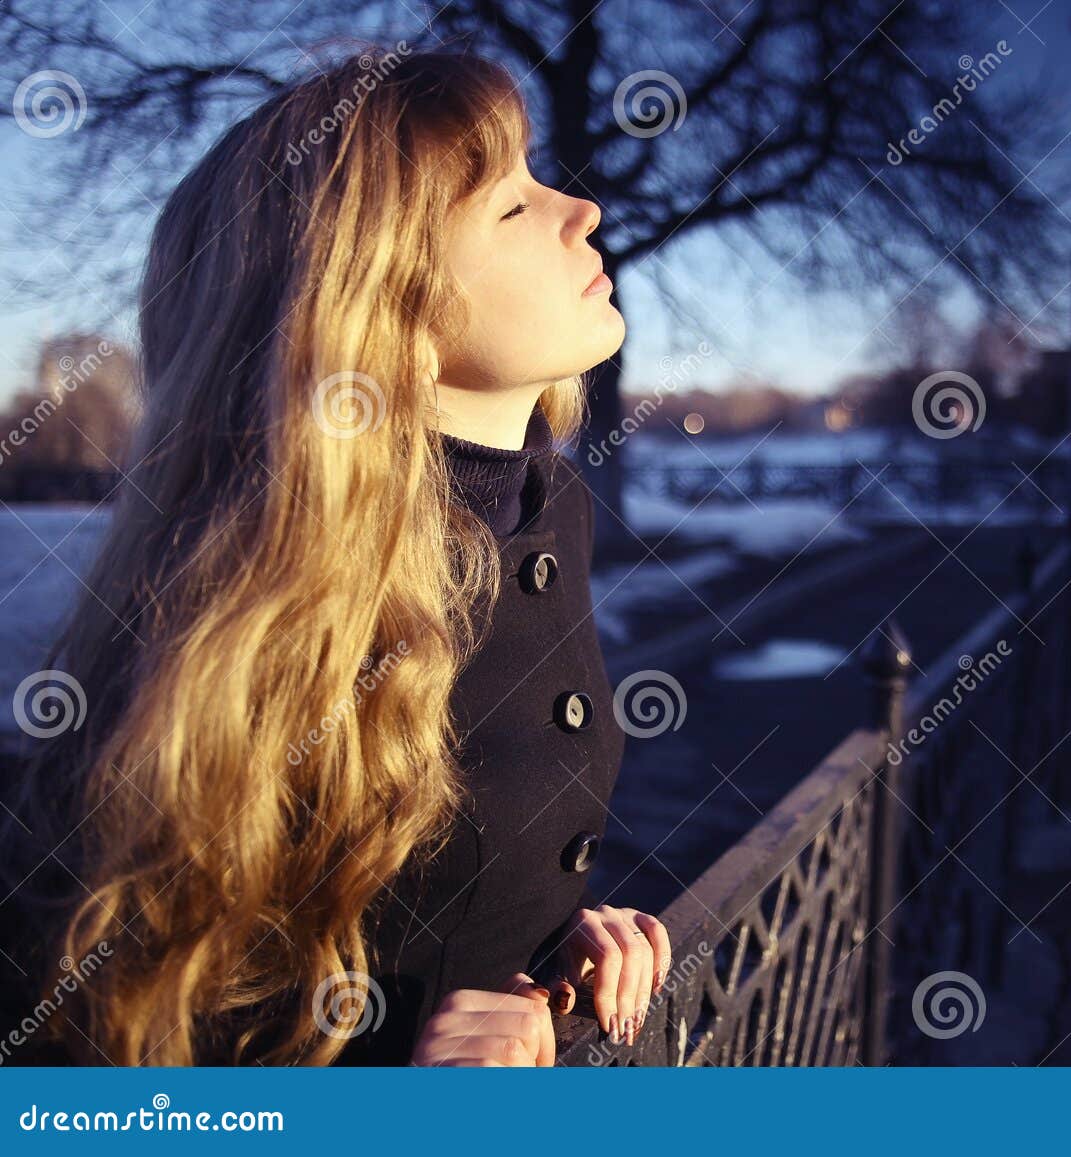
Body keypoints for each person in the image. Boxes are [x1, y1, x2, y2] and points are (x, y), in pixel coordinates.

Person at [0, 47, 667, 1067]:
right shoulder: (262, 605)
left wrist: (541, 941)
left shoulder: (553, 507)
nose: (581, 210)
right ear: (376, 304)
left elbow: (432, 887)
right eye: (509, 205)